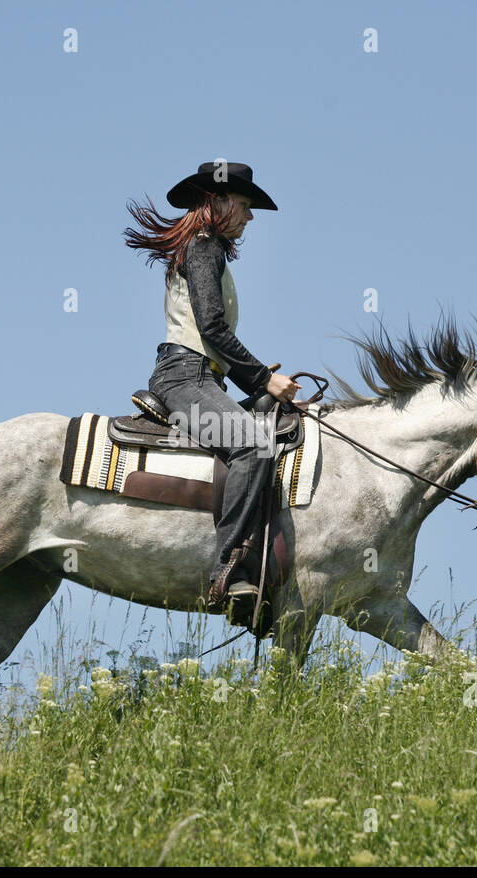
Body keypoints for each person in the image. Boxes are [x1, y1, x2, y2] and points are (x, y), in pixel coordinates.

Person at [123, 161, 300, 610]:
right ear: (217, 202)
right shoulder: (204, 249)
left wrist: (256, 380)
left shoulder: (204, 248)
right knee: (254, 447)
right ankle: (227, 568)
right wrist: (262, 377)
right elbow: (213, 327)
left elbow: (214, 337)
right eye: (244, 205)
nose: (250, 216)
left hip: (202, 375)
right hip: (185, 376)